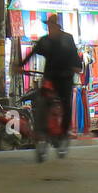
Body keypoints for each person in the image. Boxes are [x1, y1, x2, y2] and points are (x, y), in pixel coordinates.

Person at [18, 13, 81, 159]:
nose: (50, 28)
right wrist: (20, 65)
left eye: (52, 25)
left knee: (66, 107)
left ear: (56, 26)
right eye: (48, 25)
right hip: (50, 78)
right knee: (42, 104)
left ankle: (63, 134)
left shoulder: (67, 38)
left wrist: (77, 66)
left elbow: (74, 56)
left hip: (65, 78)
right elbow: (32, 53)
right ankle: (42, 133)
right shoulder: (45, 41)